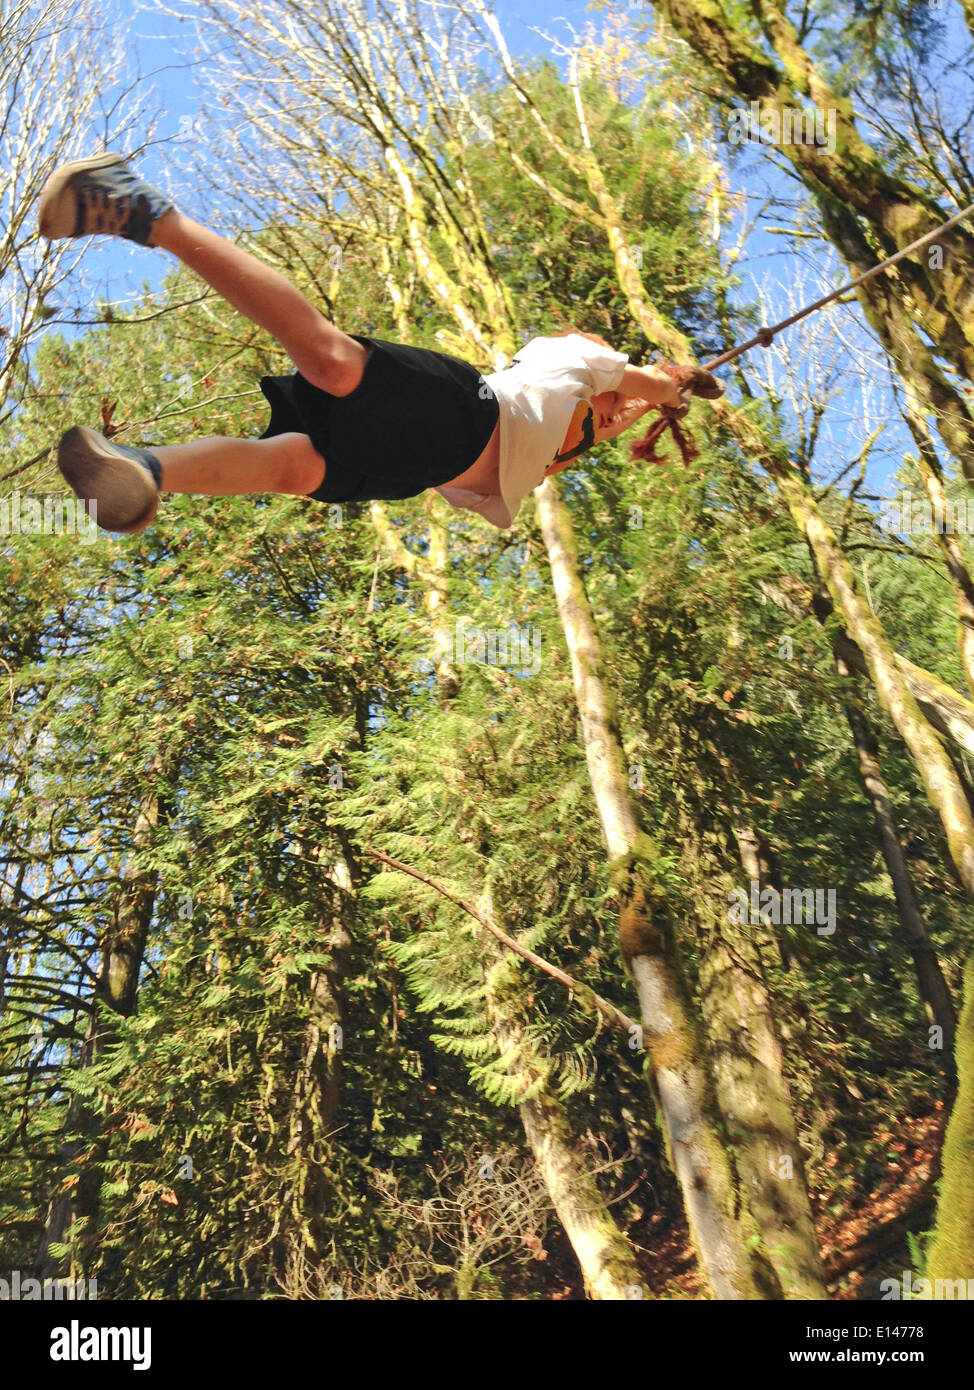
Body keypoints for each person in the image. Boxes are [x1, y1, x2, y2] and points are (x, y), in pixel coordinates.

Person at [37, 154, 722, 534]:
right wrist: (676, 388)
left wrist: (618, 420)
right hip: (460, 414)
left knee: (293, 470)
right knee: (332, 363)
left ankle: (145, 471)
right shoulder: (571, 358)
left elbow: (552, 455)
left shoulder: (554, 433)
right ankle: (140, 209)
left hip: (422, 468)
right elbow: (646, 386)